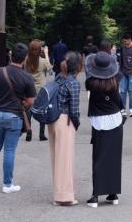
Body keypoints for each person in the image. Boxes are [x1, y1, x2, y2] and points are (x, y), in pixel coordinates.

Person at [0, 43, 36, 193]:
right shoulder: (27, 77)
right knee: (9, 150)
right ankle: (7, 184)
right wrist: (21, 106)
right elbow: (31, 101)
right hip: (14, 116)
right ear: (25, 58)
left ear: (11, 55)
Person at [84, 51, 123, 208]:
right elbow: (119, 102)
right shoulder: (116, 80)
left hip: (99, 122)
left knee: (98, 158)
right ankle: (113, 194)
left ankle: (95, 196)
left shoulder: (91, 83)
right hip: (115, 119)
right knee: (114, 158)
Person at [49, 51, 82, 206]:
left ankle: (58, 193)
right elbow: (74, 110)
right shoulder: (73, 83)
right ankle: (65, 196)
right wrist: (76, 124)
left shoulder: (58, 78)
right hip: (65, 120)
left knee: (56, 158)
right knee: (66, 159)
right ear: (78, 66)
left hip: (53, 119)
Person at [24, 39, 51, 141]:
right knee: (42, 110)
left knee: (28, 111)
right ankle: (41, 134)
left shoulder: (25, 60)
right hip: (41, 89)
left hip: (28, 88)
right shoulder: (43, 61)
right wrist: (47, 54)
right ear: (40, 50)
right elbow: (49, 68)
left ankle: (28, 132)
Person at [116, 33, 132, 117]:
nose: (124, 42)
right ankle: (122, 109)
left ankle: (131, 110)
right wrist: (119, 72)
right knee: (123, 91)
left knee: (131, 91)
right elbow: (120, 60)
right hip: (123, 72)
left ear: (129, 39)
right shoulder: (122, 48)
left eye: (125, 41)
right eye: (123, 41)